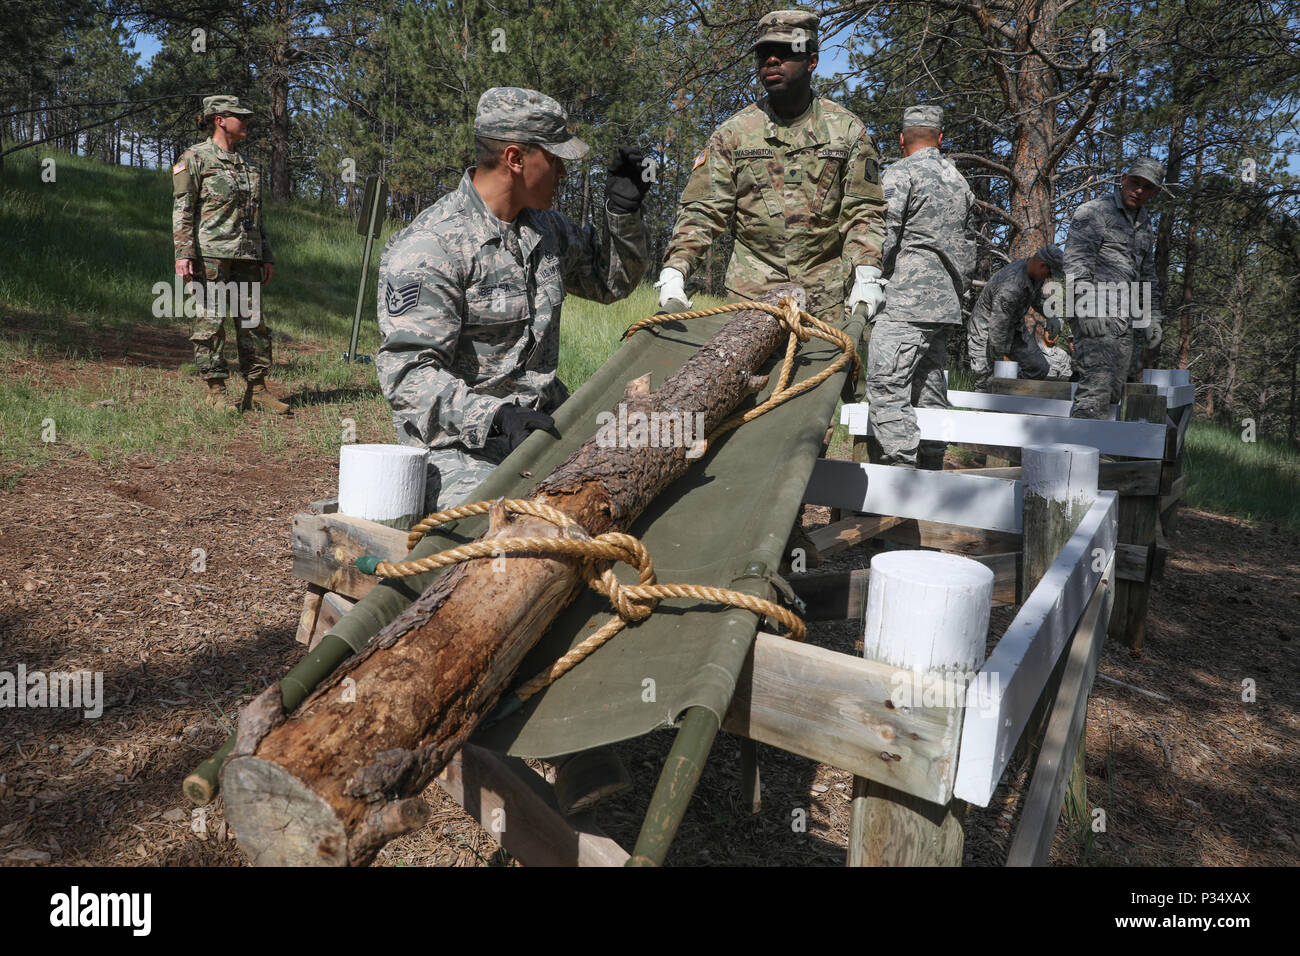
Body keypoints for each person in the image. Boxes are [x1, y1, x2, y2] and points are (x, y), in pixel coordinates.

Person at [376, 87, 649, 512]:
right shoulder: (433, 246)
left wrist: (624, 211)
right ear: (515, 159)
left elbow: (612, 282)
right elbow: (407, 378)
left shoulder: (547, 229)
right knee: (520, 532)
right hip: (459, 449)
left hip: (541, 426)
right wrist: (498, 418)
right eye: (554, 159)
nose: (563, 173)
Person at [655, 8, 887, 343]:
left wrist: (867, 269)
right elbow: (704, 210)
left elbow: (863, 210)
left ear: (812, 61)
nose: (772, 61)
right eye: (764, 53)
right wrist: (676, 269)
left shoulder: (847, 131)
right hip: (750, 297)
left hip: (826, 302)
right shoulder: (733, 133)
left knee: (824, 389)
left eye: (785, 52)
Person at [865, 105, 976, 469]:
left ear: (901, 138)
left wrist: (866, 277)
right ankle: (932, 469)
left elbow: (885, 234)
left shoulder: (901, 173)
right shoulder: (960, 182)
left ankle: (901, 470)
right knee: (929, 390)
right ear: (940, 138)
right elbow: (967, 244)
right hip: (945, 304)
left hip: (907, 300)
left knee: (885, 384)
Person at [173, 94, 289, 414]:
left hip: (247, 255)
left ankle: (257, 389)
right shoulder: (194, 158)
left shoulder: (249, 167)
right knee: (210, 323)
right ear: (220, 120)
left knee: (253, 324)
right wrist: (183, 253)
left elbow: (258, 216)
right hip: (210, 254)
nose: (246, 121)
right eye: (240, 116)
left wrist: (265, 255)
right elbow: (183, 209)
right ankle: (216, 391)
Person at [1064, 157, 1165, 419]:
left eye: (1147, 187)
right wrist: (1086, 307)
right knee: (1094, 392)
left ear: (1155, 192)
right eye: (1135, 182)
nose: (1139, 190)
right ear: (1123, 180)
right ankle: (1079, 455)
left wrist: (1152, 315)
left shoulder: (1145, 224)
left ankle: (1099, 456)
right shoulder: (1094, 212)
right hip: (1096, 316)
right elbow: (1076, 263)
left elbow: (1147, 274)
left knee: (1114, 394)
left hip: (1126, 323)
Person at [966, 245, 1064, 391]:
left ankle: (1011, 401)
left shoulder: (1035, 275)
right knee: (989, 384)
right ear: (1042, 265)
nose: (1049, 278)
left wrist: (1051, 315)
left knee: (1038, 368)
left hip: (1014, 329)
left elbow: (1036, 299)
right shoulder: (1010, 285)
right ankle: (992, 406)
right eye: (1049, 274)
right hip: (986, 333)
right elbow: (997, 329)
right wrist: (1001, 362)